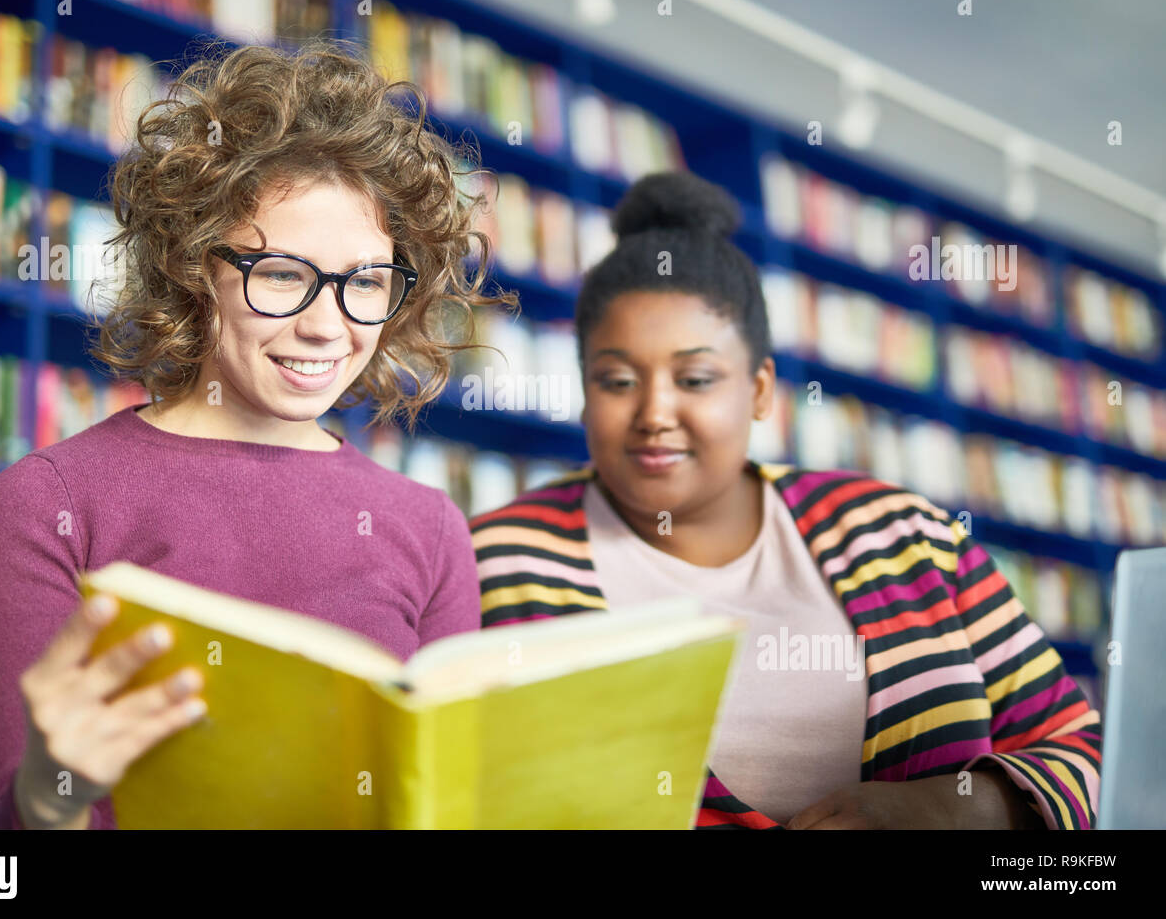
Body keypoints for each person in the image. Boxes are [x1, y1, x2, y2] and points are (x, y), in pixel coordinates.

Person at [0, 40, 512, 829]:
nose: (328, 326)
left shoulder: (431, 530)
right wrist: (56, 787)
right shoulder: (47, 503)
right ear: (193, 266)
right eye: (284, 274)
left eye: (364, 282)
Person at [470, 170, 1101, 829]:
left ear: (761, 389)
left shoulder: (909, 536)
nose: (654, 413)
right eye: (617, 379)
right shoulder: (498, 560)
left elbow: (1084, 754)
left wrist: (950, 807)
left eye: (695, 378)